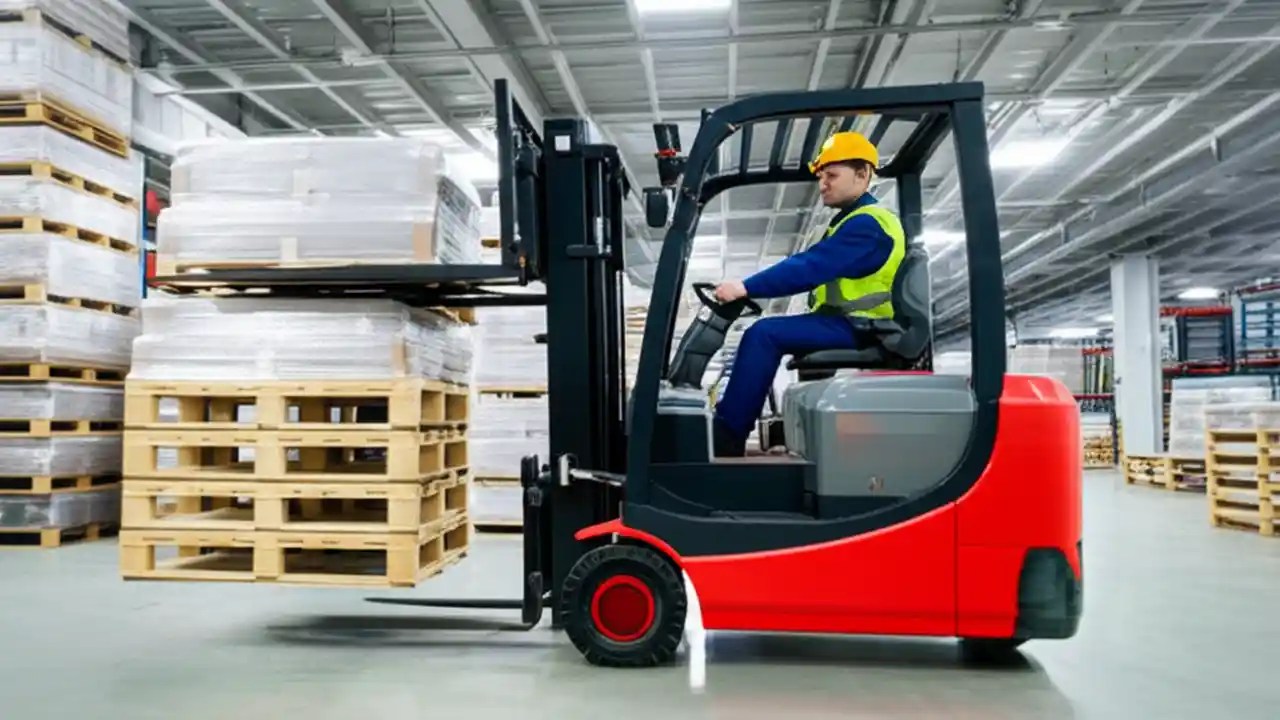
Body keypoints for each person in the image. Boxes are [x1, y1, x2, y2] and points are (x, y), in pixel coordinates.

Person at [710, 130, 906, 456]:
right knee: (778, 334)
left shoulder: (868, 225)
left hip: (863, 326)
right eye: (821, 177)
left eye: (831, 175)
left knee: (764, 334)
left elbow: (810, 267)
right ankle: (807, 445)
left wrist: (746, 287)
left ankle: (725, 440)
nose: (823, 184)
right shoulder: (853, 221)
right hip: (851, 323)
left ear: (862, 174)